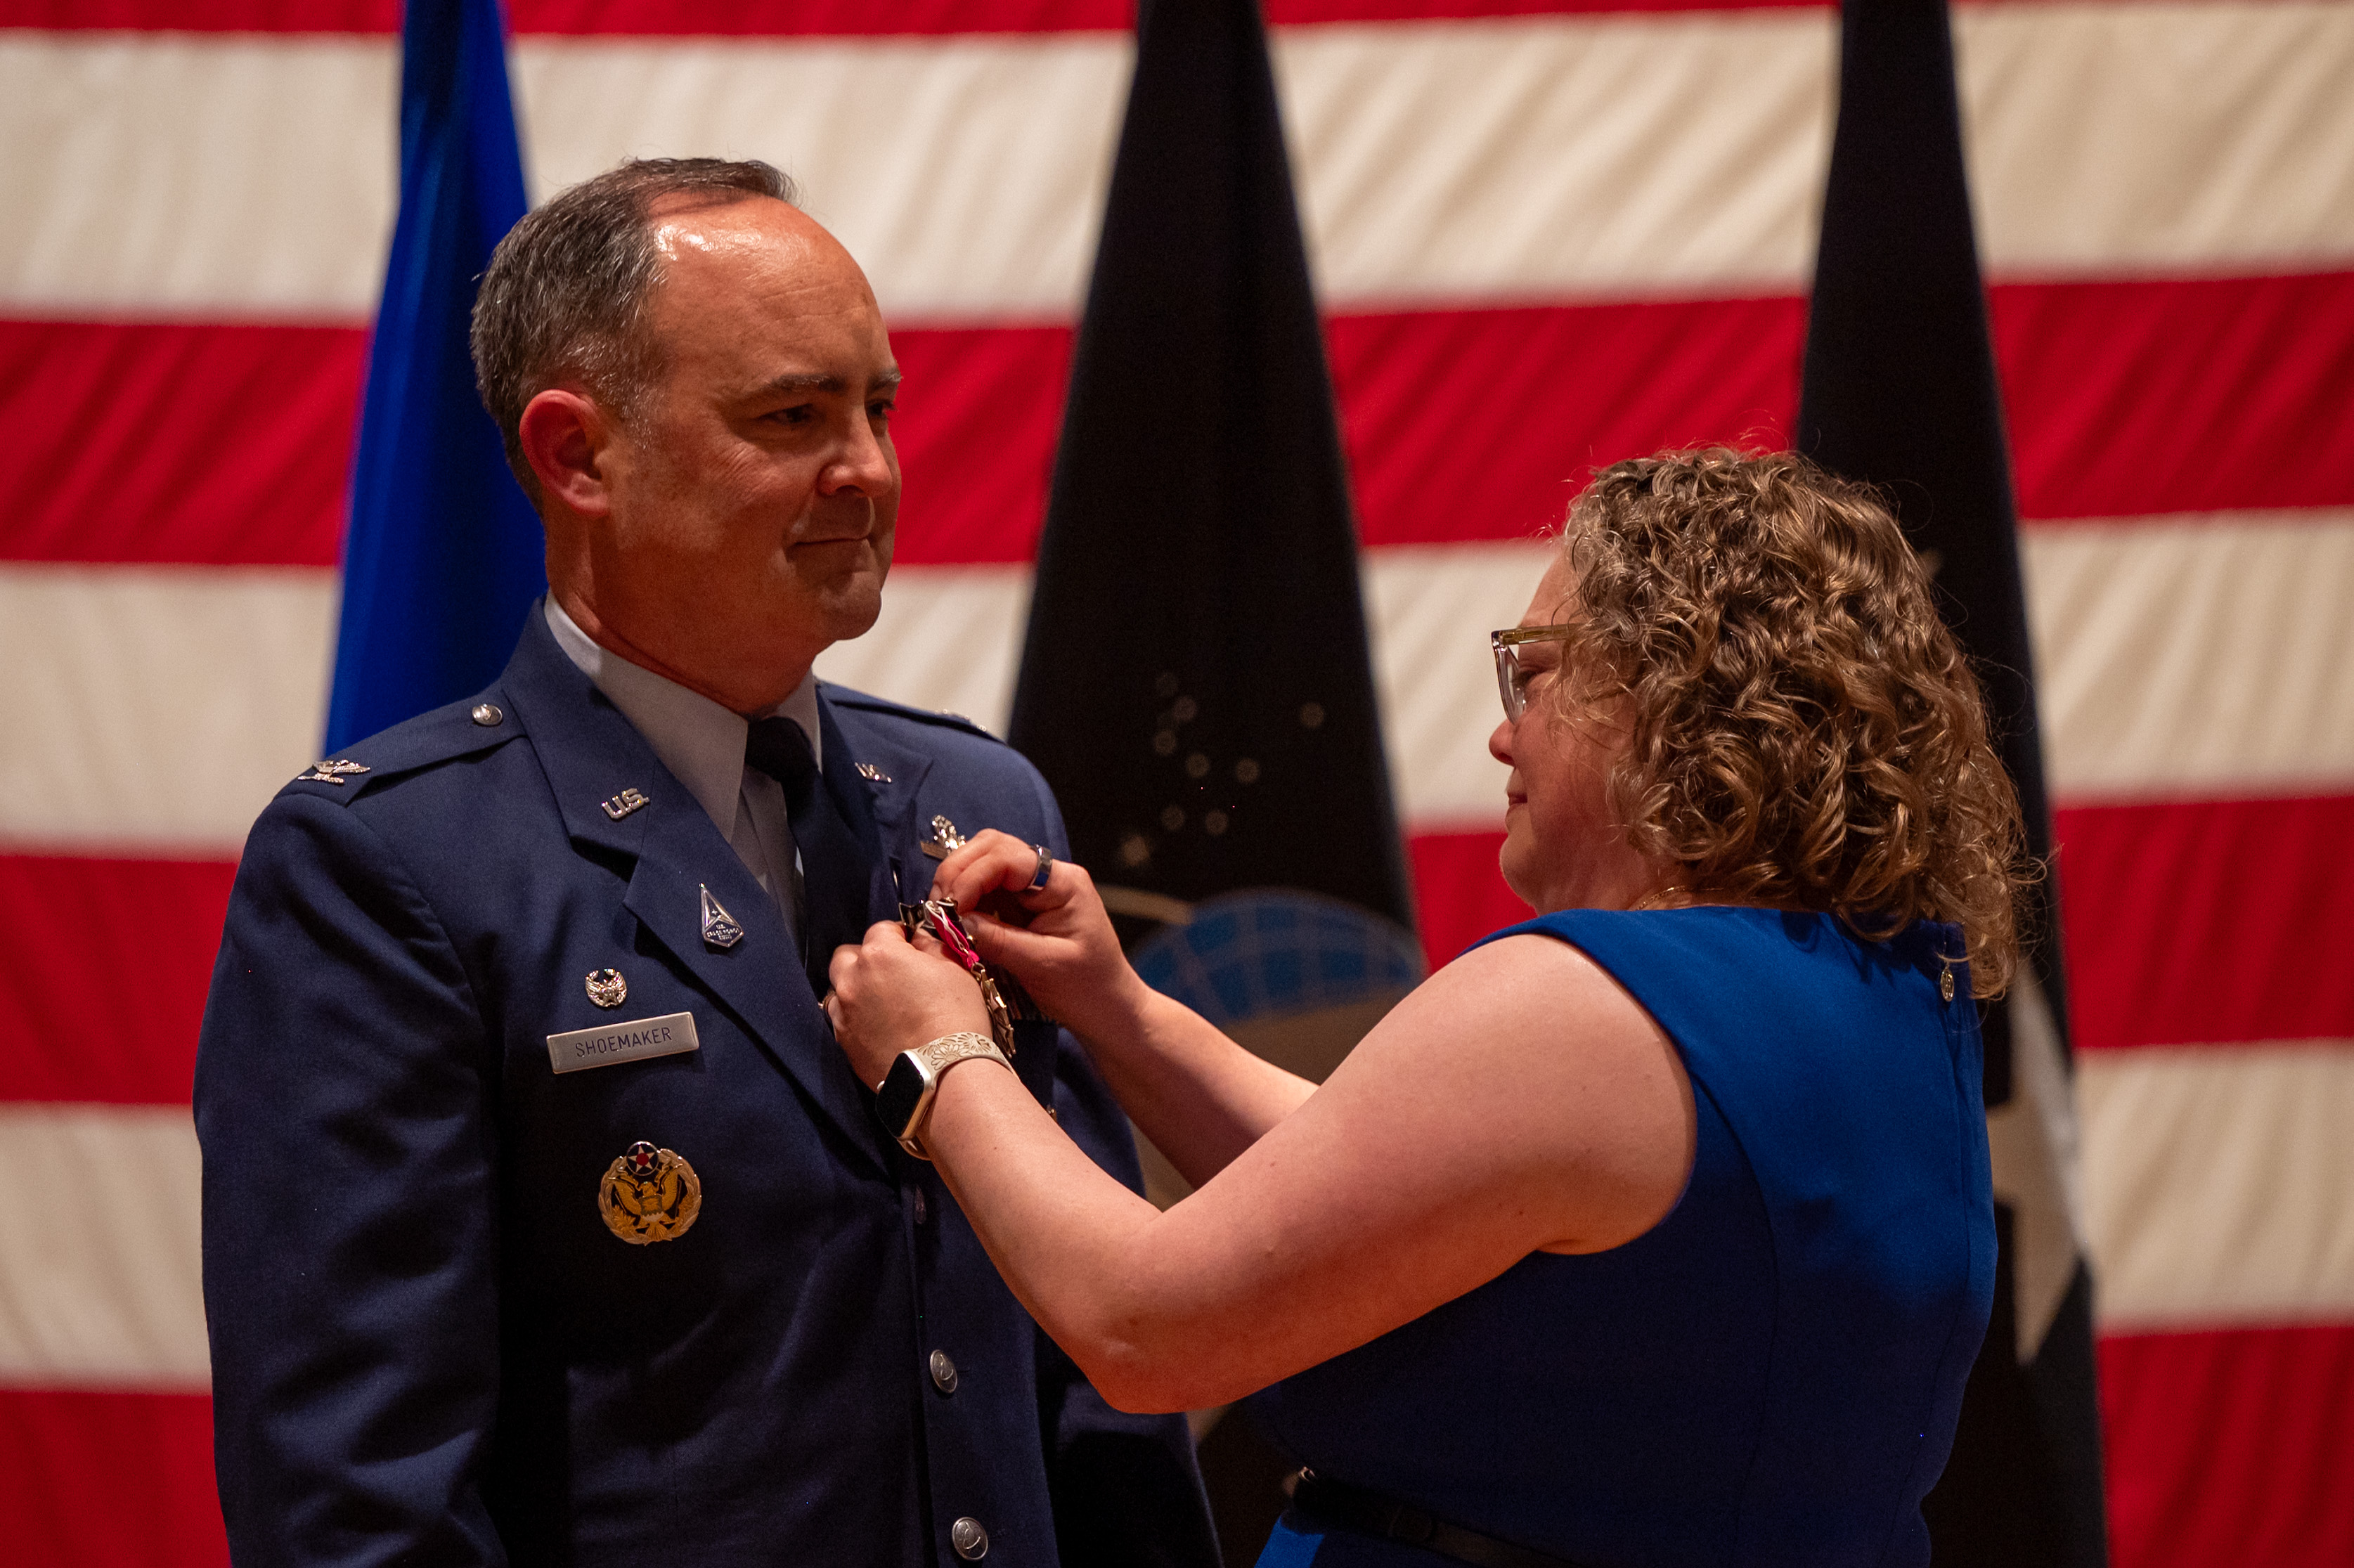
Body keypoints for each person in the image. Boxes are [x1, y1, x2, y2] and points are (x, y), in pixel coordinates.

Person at [195, 158, 1217, 1567]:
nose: (866, 468)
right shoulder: (389, 869)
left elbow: (1096, 1388)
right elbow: (359, 1501)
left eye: (879, 408)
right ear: (576, 456)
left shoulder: (972, 798)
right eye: (790, 417)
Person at [826, 449, 2022, 1568]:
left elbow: (1146, 1330)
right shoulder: (1887, 994)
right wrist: (1120, 1011)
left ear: (1667, 687)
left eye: (1534, 671)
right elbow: (1403, 1197)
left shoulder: (1584, 1003)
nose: (1503, 730)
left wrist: (940, 1061)